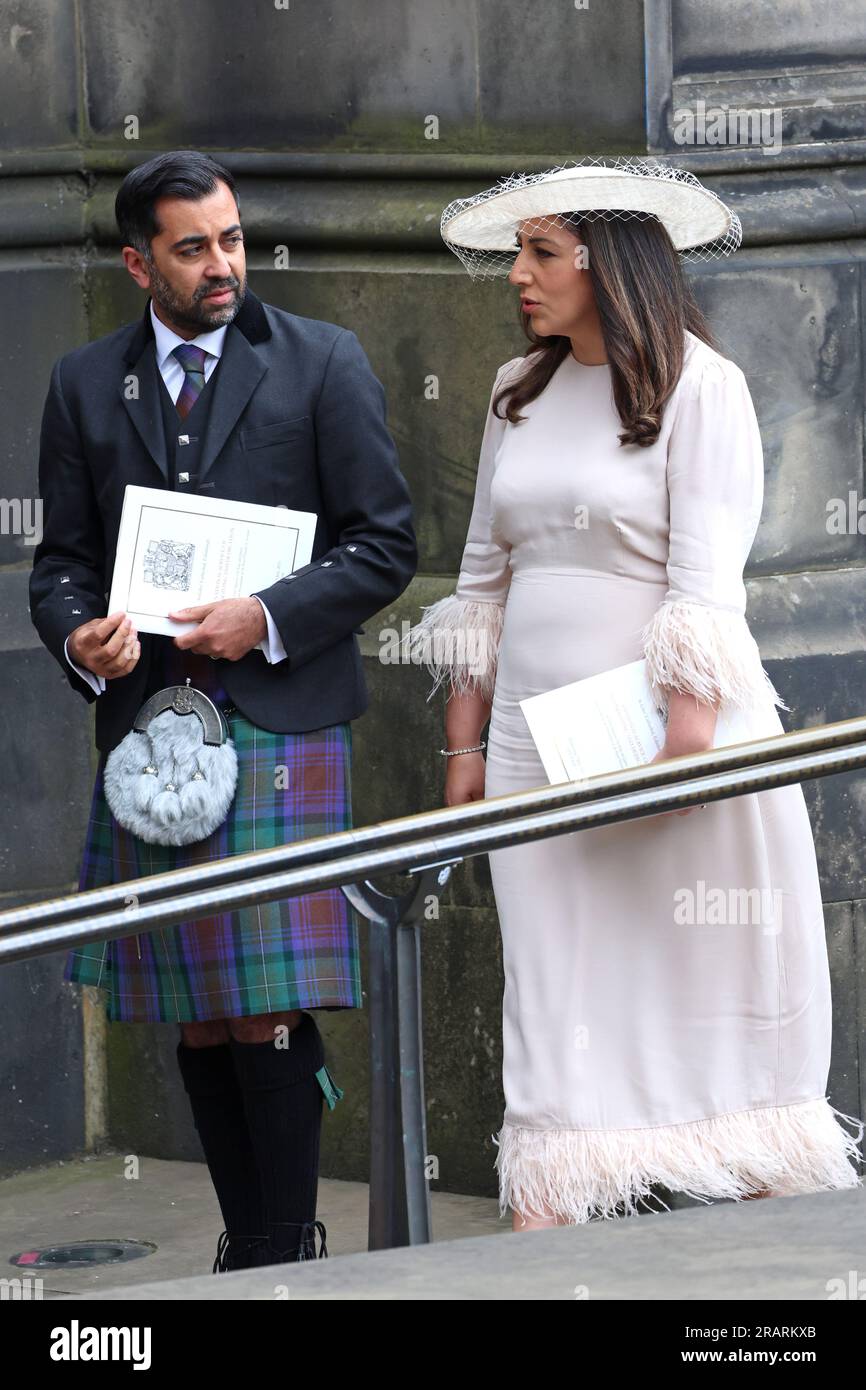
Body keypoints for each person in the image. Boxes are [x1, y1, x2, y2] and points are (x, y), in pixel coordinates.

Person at [406, 157, 863, 1230]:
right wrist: (463, 762)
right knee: (556, 990)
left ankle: (764, 1231)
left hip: (671, 746)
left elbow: (703, 591)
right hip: (530, 751)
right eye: (517, 251)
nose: (516, 274)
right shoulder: (512, 392)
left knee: (703, 987)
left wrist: (679, 759)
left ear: (607, 264)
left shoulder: (703, 388)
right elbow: (479, 586)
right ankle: (546, 1211)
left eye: (541, 251)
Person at [29, 150, 417, 1269]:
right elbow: (60, 565)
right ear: (136, 260)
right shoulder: (85, 383)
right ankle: (245, 1238)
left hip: (280, 719)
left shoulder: (319, 363)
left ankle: (280, 1244)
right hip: (152, 727)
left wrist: (266, 615)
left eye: (232, 238)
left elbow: (383, 542)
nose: (222, 264)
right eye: (192, 246)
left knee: (267, 998)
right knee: (196, 1004)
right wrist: (81, 639)